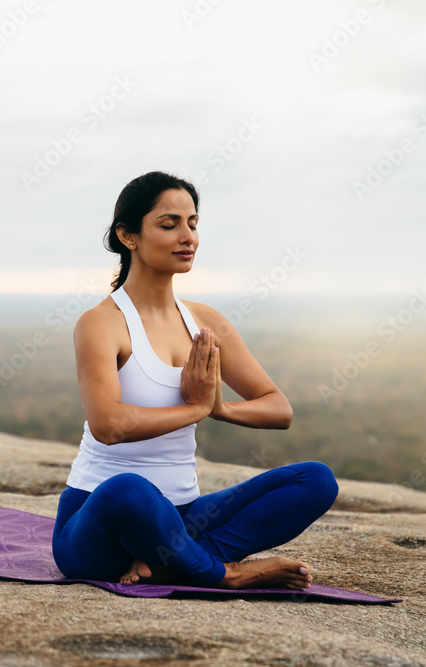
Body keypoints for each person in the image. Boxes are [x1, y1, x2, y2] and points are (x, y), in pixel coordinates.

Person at [52, 170, 338, 590]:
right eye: (170, 225)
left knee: (316, 479)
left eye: (193, 223)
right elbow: (108, 426)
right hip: (101, 523)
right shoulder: (101, 323)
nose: (188, 236)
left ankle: (174, 561)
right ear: (129, 236)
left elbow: (279, 409)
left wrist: (218, 408)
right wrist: (194, 409)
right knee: (129, 489)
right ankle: (222, 572)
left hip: (185, 517)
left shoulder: (205, 322)